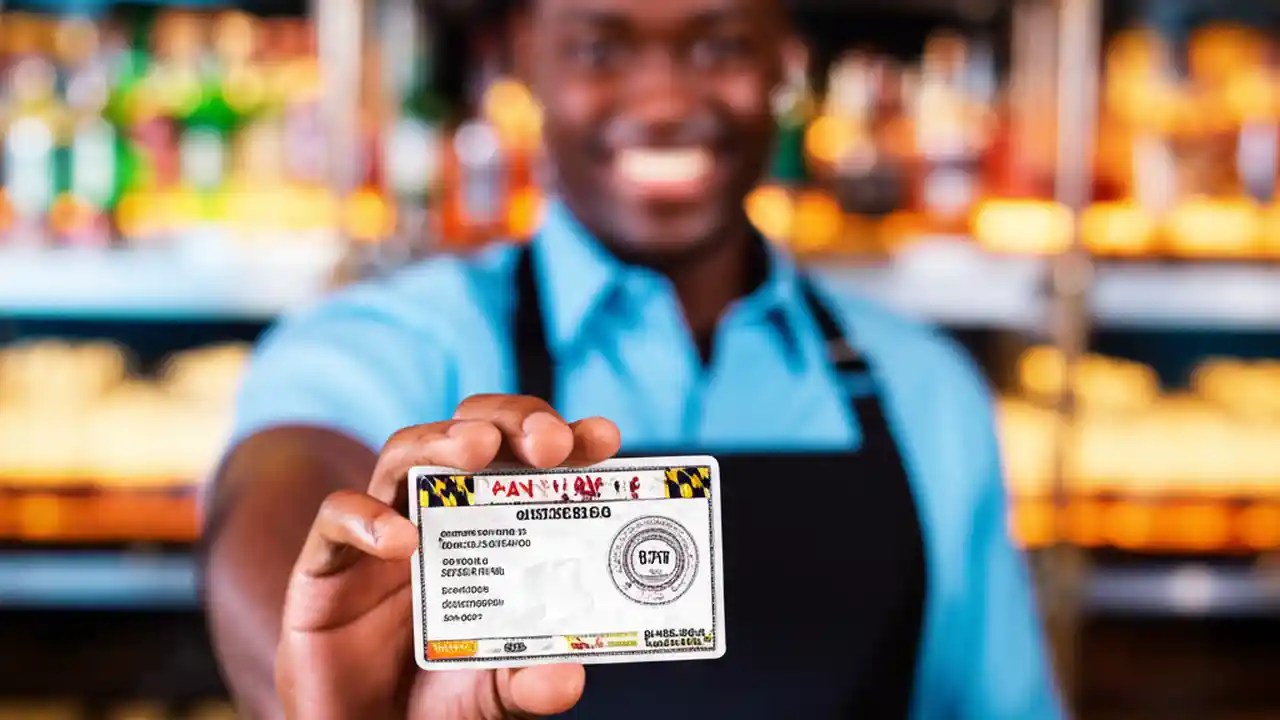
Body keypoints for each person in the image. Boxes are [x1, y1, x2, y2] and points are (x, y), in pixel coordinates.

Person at [201, 0, 1064, 716]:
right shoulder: (394, 342)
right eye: (600, 48)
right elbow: (284, 484)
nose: (660, 100)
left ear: (785, 62)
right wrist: (323, 680)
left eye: (718, 44)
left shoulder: (924, 388)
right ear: (523, 62)